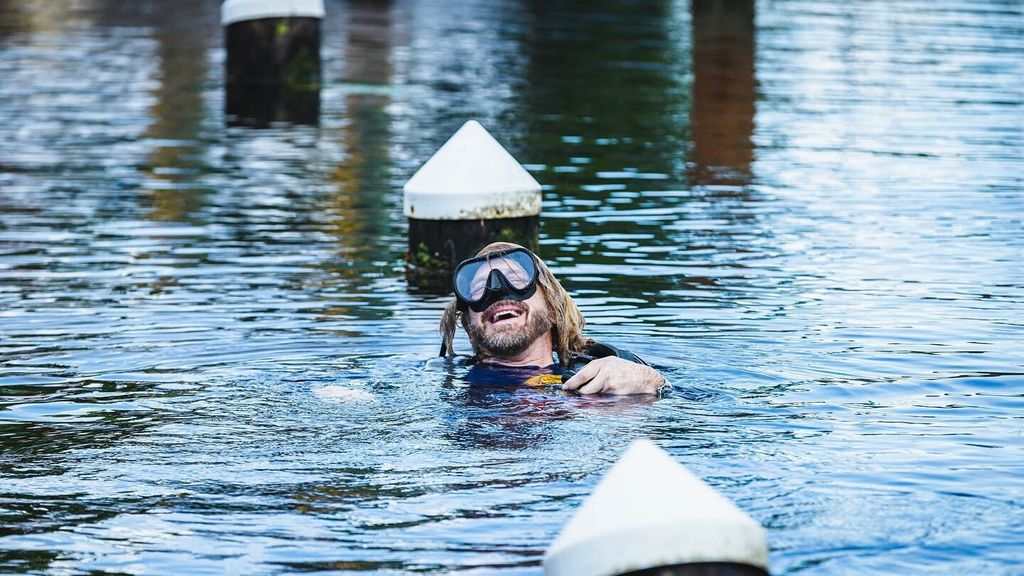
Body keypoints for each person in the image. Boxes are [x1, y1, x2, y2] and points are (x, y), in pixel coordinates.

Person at [438, 242, 666, 395]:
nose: (497, 291)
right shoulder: (446, 378)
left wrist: (651, 381)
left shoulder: (597, 373)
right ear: (468, 324)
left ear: (553, 310)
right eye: (479, 288)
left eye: (517, 280)